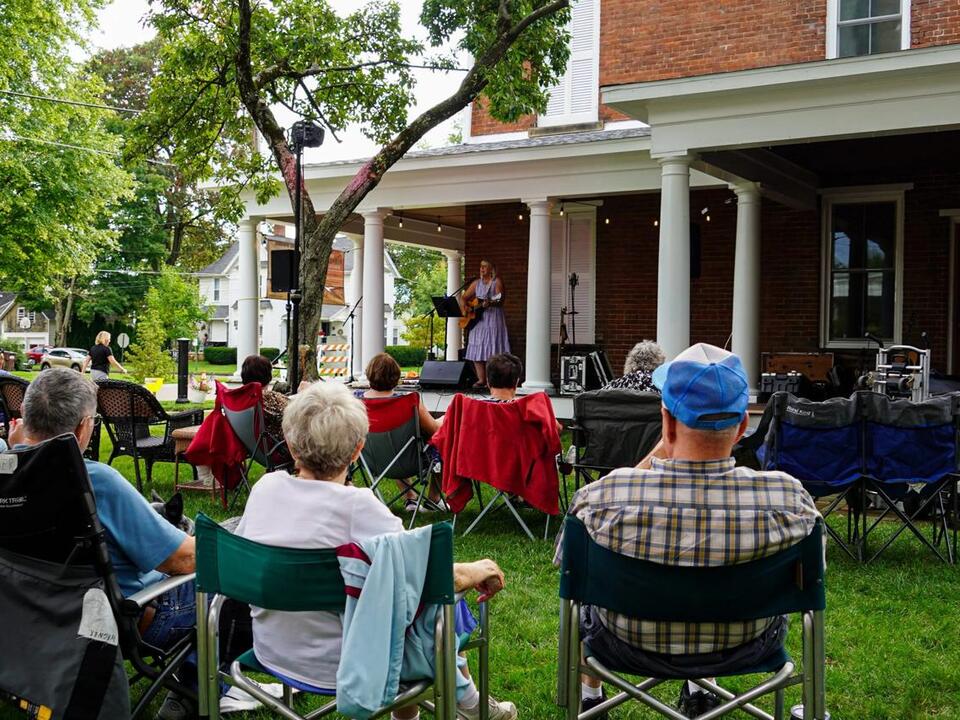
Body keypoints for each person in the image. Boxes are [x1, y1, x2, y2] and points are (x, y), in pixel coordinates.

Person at [555, 344, 820, 719]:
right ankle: (701, 689)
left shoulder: (602, 498)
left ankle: (590, 697)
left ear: (666, 421)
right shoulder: (789, 499)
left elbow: (566, 564)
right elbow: (810, 578)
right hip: (747, 642)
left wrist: (661, 449)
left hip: (626, 641)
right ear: (743, 426)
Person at [235, 382, 518, 720]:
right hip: (352, 662)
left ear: (293, 448)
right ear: (358, 450)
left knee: (397, 590)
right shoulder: (359, 507)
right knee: (428, 605)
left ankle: (456, 704)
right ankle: (469, 701)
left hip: (272, 649)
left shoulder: (266, 488)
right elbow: (430, 577)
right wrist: (478, 569)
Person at [357, 352, 443, 511]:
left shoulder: (356, 403)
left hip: (372, 462)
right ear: (396, 377)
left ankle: (410, 498)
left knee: (395, 444)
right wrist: (445, 419)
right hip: (412, 462)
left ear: (369, 375)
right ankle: (433, 500)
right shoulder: (409, 402)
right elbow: (435, 431)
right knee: (440, 444)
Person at [462, 260, 510, 389]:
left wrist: (491, 303)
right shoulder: (476, 283)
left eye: (484, 267)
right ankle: (481, 379)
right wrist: (467, 308)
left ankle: (492, 380)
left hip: (493, 318)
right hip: (478, 320)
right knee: (477, 347)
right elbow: (464, 298)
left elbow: (500, 299)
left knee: (492, 349)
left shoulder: (497, 282)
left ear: (491, 269)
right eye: (481, 266)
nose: (481, 269)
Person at [240, 354, 287, 444]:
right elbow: (295, 411)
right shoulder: (268, 398)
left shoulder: (241, 397)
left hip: (254, 446)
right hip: (279, 448)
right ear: (268, 375)